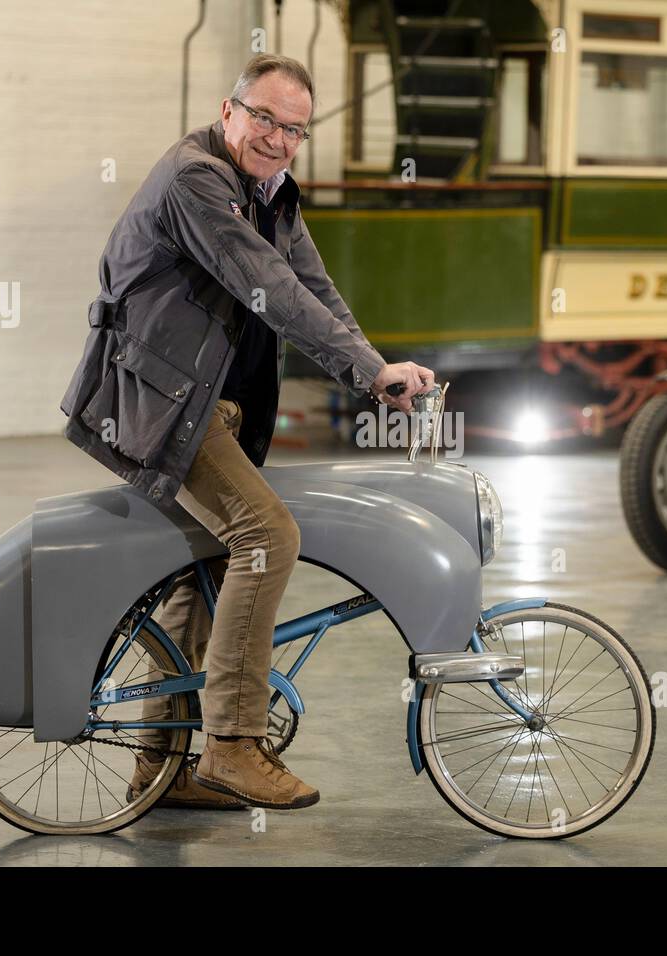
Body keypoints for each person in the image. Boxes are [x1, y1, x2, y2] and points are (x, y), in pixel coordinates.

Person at [59, 53, 435, 811]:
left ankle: (158, 773)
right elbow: (268, 287)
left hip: (202, 406)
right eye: (264, 118)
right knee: (267, 537)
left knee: (196, 578)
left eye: (294, 128)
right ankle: (232, 743)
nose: (278, 138)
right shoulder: (195, 180)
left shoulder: (272, 194)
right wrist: (366, 372)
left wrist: (374, 368)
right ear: (227, 110)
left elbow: (316, 290)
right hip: (160, 407)